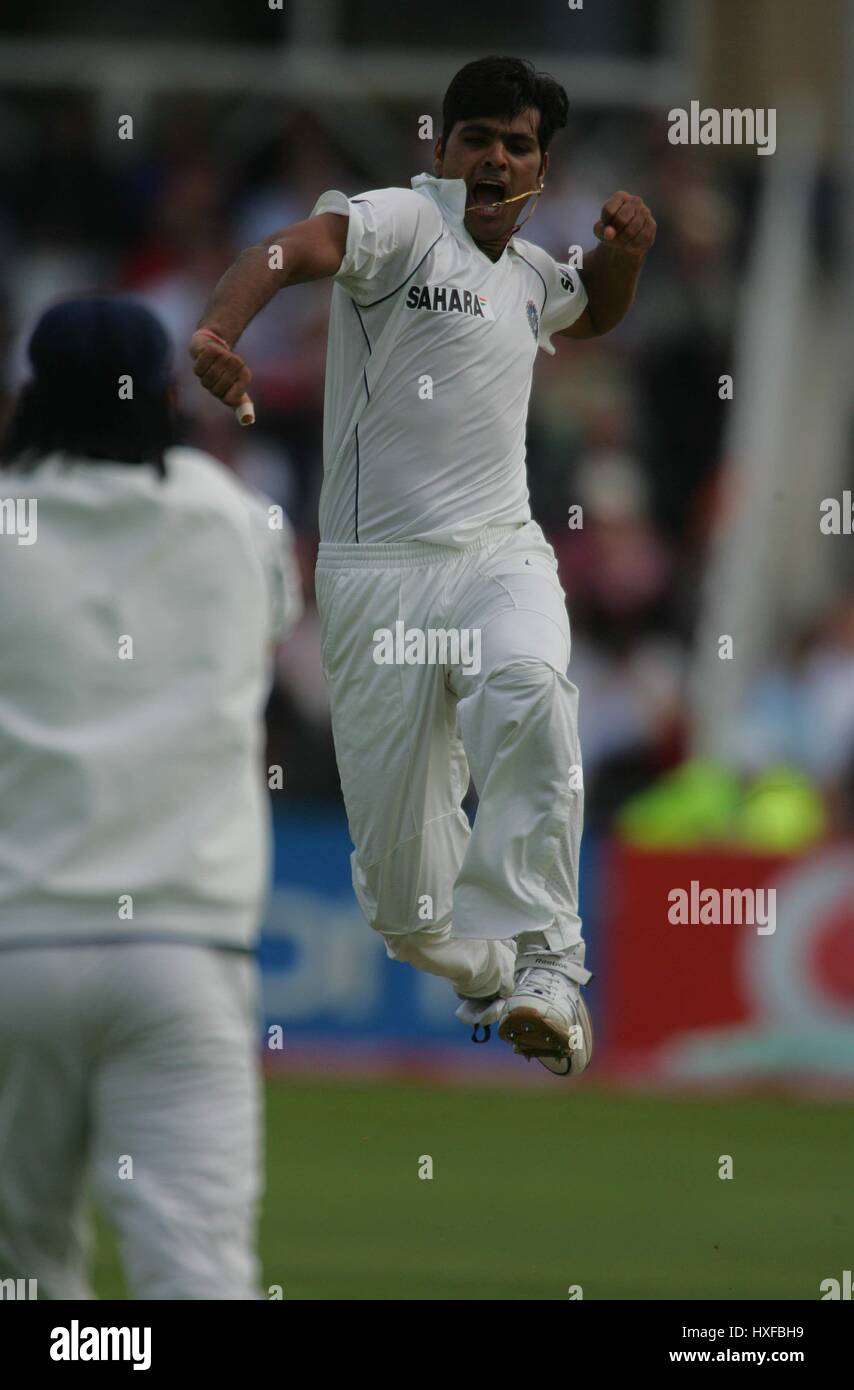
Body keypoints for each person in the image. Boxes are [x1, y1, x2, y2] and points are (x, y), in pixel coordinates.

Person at [190, 56, 655, 1076]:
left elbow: (599, 309)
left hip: (498, 555)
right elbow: (286, 248)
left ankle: (546, 963)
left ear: (539, 168)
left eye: (518, 143)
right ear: (439, 151)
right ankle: (489, 973)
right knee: (406, 915)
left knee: (530, 684)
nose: (495, 156)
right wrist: (220, 330)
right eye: (476, 137)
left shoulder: (533, 275)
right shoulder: (402, 224)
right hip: (374, 581)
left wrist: (622, 251)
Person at [0, 296, 302, 1298]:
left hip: (17, 941)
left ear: (31, 396)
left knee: (23, 1269)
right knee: (198, 1271)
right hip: (184, 949)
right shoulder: (232, 518)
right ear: (168, 396)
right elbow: (271, 626)